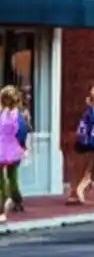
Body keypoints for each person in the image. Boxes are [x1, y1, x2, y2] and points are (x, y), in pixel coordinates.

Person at [0, 86, 24, 222]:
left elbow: (20, 132)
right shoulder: (16, 115)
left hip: (6, 148)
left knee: (7, 178)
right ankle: (14, 199)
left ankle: (9, 199)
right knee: (11, 177)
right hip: (11, 148)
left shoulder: (9, 114)